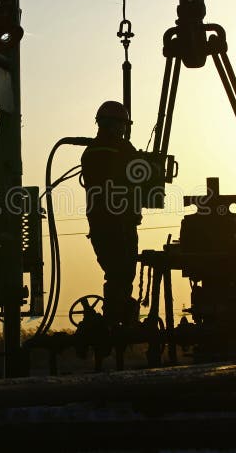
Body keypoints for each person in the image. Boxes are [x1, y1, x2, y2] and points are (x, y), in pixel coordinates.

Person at [81, 101, 141, 326]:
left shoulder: (89, 153)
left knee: (113, 272)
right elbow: (142, 178)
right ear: (118, 125)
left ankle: (114, 315)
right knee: (123, 273)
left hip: (97, 225)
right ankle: (117, 320)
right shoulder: (123, 150)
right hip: (121, 224)